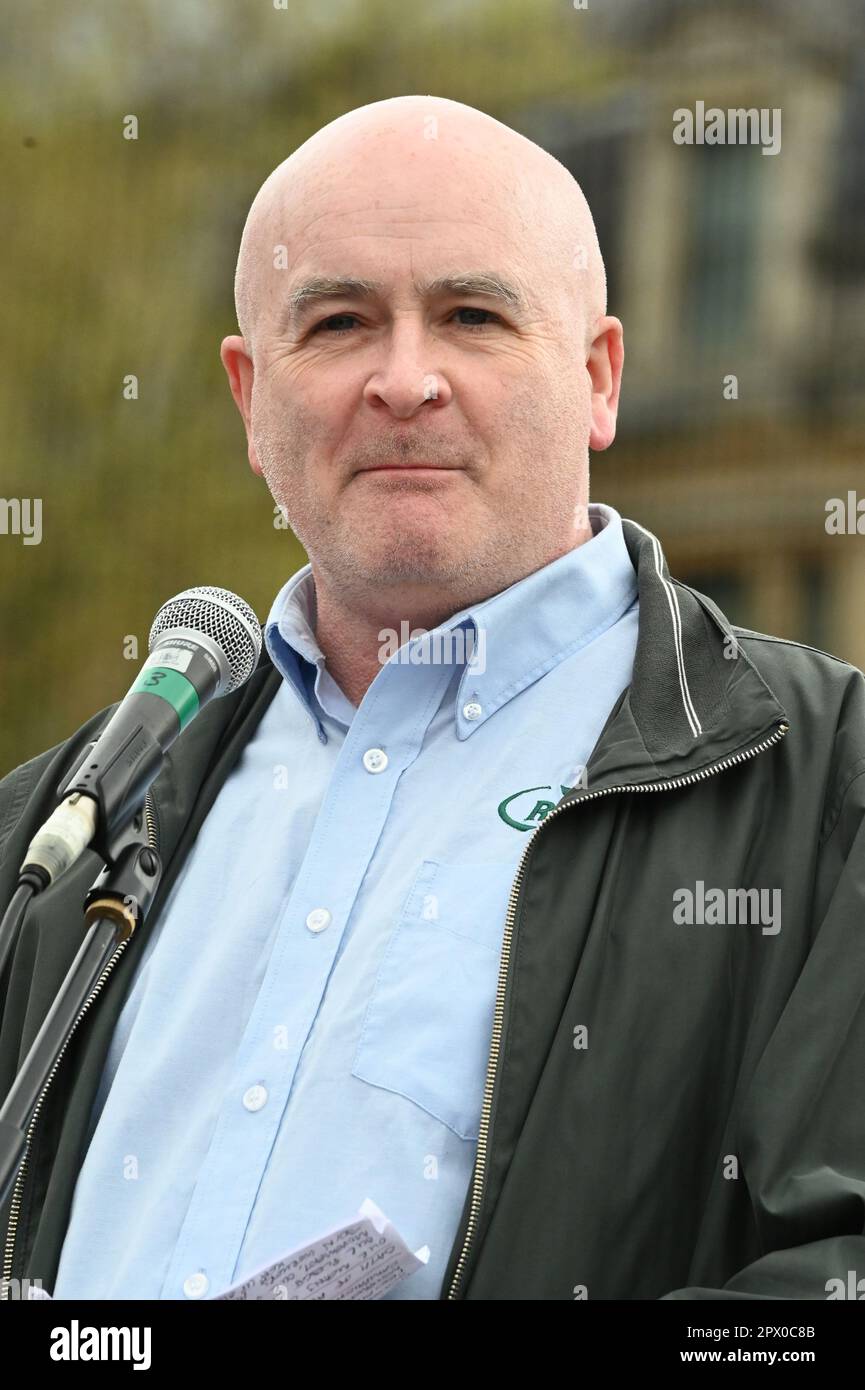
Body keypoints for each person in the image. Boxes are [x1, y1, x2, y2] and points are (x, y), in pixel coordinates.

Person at [1, 94, 864, 1302]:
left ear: (597, 377)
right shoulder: (61, 832)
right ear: (250, 399)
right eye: (341, 321)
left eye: (471, 314)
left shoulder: (832, 789)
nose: (405, 381)